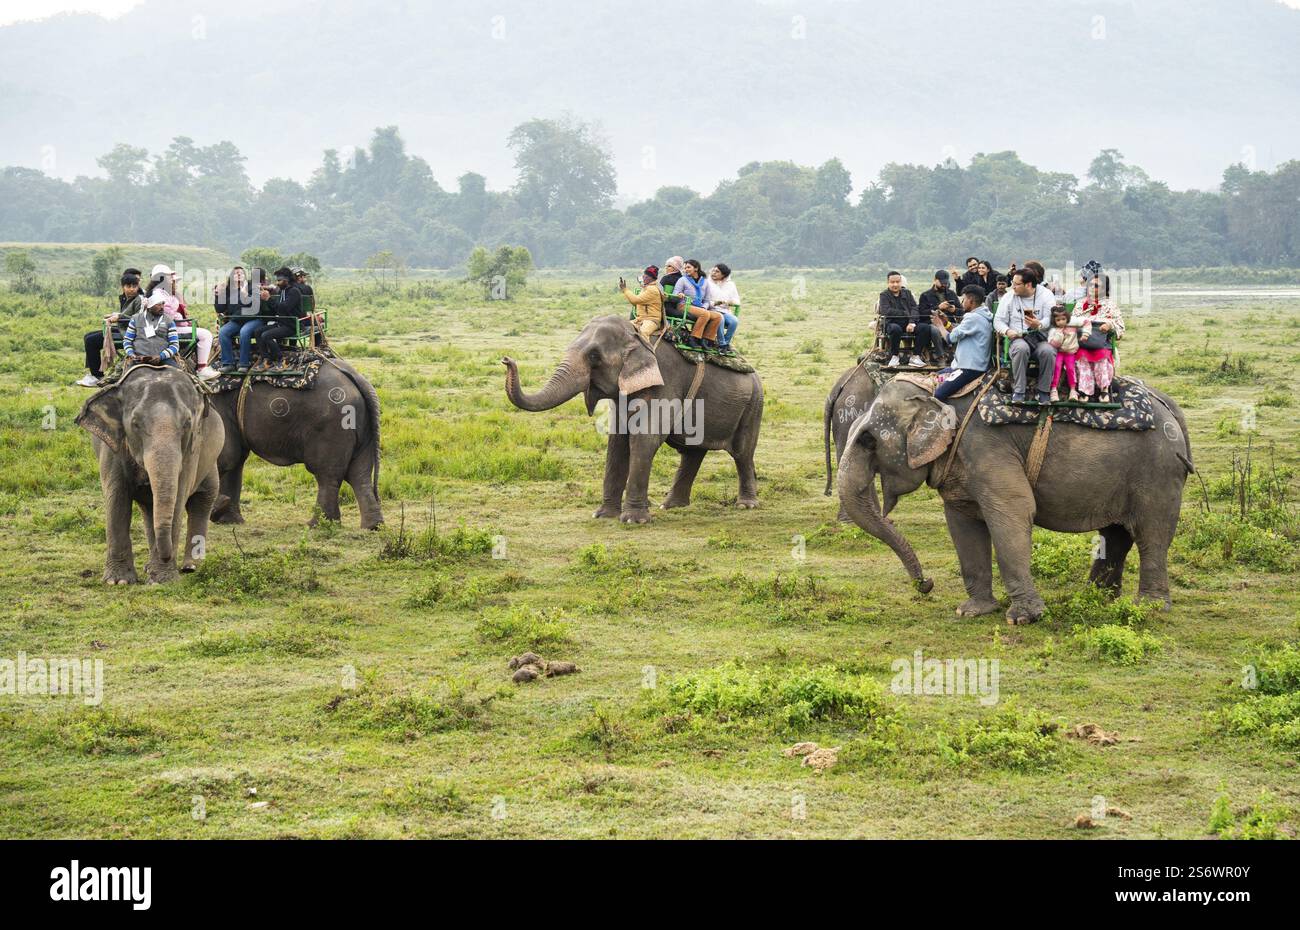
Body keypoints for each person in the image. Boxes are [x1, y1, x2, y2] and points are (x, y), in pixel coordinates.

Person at [993, 269, 1056, 404]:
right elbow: (998, 321)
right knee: (1021, 348)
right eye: (1012, 283)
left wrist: (1039, 324)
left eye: (1016, 284)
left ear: (1028, 285)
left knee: (1048, 351)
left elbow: (1050, 319)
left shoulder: (1046, 295)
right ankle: (1019, 390)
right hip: (1018, 338)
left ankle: (1044, 391)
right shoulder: (1009, 297)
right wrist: (1007, 331)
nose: (1012, 286)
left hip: (1039, 338)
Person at [146, 263, 218, 379]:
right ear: (162, 278)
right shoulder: (159, 294)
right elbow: (166, 313)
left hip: (169, 326)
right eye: (169, 276)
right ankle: (202, 368)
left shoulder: (162, 292)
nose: (172, 279)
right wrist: (180, 317)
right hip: (169, 328)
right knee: (206, 335)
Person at [77, 271, 142, 386]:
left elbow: (138, 318)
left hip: (129, 333)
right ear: (123, 287)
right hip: (123, 328)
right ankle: (93, 371)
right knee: (88, 336)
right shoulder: (127, 298)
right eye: (128, 286)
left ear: (138, 286)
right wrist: (115, 315)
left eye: (134, 286)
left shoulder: (139, 300)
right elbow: (127, 314)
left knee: (91, 341)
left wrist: (119, 317)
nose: (131, 289)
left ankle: (97, 375)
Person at [934, 285, 994, 402]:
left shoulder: (973, 318)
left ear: (970, 301)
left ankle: (951, 417)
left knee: (939, 394)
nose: (962, 302)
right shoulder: (982, 315)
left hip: (969, 369)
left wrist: (939, 325)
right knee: (938, 376)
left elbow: (950, 339)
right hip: (970, 365)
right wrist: (946, 323)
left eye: (964, 299)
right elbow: (958, 333)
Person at [1073, 274, 1124, 403]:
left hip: (1101, 343)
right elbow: (1071, 322)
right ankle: (1084, 391)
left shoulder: (1110, 305)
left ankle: (1104, 390)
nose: (1092, 288)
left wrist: (1109, 325)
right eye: (1090, 285)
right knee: (1082, 359)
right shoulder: (1080, 304)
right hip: (1083, 342)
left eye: (1096, 286)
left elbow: (1120, 326)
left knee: (1101, 358)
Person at [217, 266, 269, 375]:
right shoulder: (228, 290)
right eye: (236, 273)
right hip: (237, 320)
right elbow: (220, 309)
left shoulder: (252, 286)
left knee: (244, 332)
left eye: (241, 273)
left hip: (254, 318)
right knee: (223, 332)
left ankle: (244, 363)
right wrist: (218, 295)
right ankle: (228, 363)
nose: (239, 274)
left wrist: (246, 294)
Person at [878, 271, 931, 368]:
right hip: (892, 323)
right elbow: (886, 311)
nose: (895, 284)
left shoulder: (907, 293)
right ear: (888, 283)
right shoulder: (884, 295)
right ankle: (894, 356)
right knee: (895, 329)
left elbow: (914, 308)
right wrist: (905, 314)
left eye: (897, 282)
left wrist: (911, 322)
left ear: (901, 282)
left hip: (908, 323)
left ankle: (915, 356)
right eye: (892, 282)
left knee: (925, 328)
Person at [257, 266, 308, 366]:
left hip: (292, 325)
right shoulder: (282, 291)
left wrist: (269, 299)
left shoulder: (294, 292)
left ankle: (282, 359)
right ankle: (266, 359)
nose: (277, 283)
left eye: (279, 280)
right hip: (282, 322)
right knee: (258, 332)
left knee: (266, 335)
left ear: (287, 280)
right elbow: (276, 309)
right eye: (277, 280)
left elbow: (284, 308)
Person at [123, 292, 180, 367]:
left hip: (163, 359)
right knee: (126, 376)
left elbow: (175, 345)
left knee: (177, 374)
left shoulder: (169, 321)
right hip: (139, 359)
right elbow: (127, 341)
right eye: (158, 304)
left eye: (163, 304)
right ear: (149, 307)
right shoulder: (135, 319)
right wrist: (132, 355)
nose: (162, 307)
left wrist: (161, 356)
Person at [678, 259, 722, 348]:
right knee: (704, 314)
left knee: (718, 316)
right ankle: (693, 338)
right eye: (685, 268)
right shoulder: (682, 280)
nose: (686, 269)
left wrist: (704, 307)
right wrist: (680, 294)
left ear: (696, 268)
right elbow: (676, 293)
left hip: (699, 307)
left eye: (688, 267)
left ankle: (705, 339)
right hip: (684, 305)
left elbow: (707, 300)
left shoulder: (705, 282)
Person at [619, 265, 665, 341]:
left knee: (643, 333)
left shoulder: (652, 289)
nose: (643, 277)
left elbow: (635, 300)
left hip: (652, 320)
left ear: (652, 278)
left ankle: (648, 352)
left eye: (646, 276)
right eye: (644, 275)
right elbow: (636, 303)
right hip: (640, 319)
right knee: (623, 328)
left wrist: (625, 290)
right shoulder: (646, 287)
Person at [1046, 305, 1080, 403]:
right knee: (1056, 367)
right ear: (1054, 321)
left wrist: (1086, 332)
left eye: (1063, 319)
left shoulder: (1072, 327)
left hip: (1070, 352)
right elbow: (1052, 343)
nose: (1061, 322)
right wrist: (1059, 334)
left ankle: (1073, 390)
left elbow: (1085, 322)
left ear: (1067, 318)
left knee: (1070, 368)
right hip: (1059, 352)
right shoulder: (1053, 330)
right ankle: (1053, 389)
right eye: (1058, 320)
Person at [705, 263, 741, 353]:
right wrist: (715, 303)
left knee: (734, 321)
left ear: (723, 275)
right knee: (720, 319)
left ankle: (725, 343)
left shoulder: (730, 285)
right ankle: (721, 344)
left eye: (717, 272)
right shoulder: (707, 283)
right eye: (713, 270)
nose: (714, 273)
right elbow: (704, 299)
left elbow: (737, 301)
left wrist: (729, 302)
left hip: (725, 310)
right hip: (711, 309)